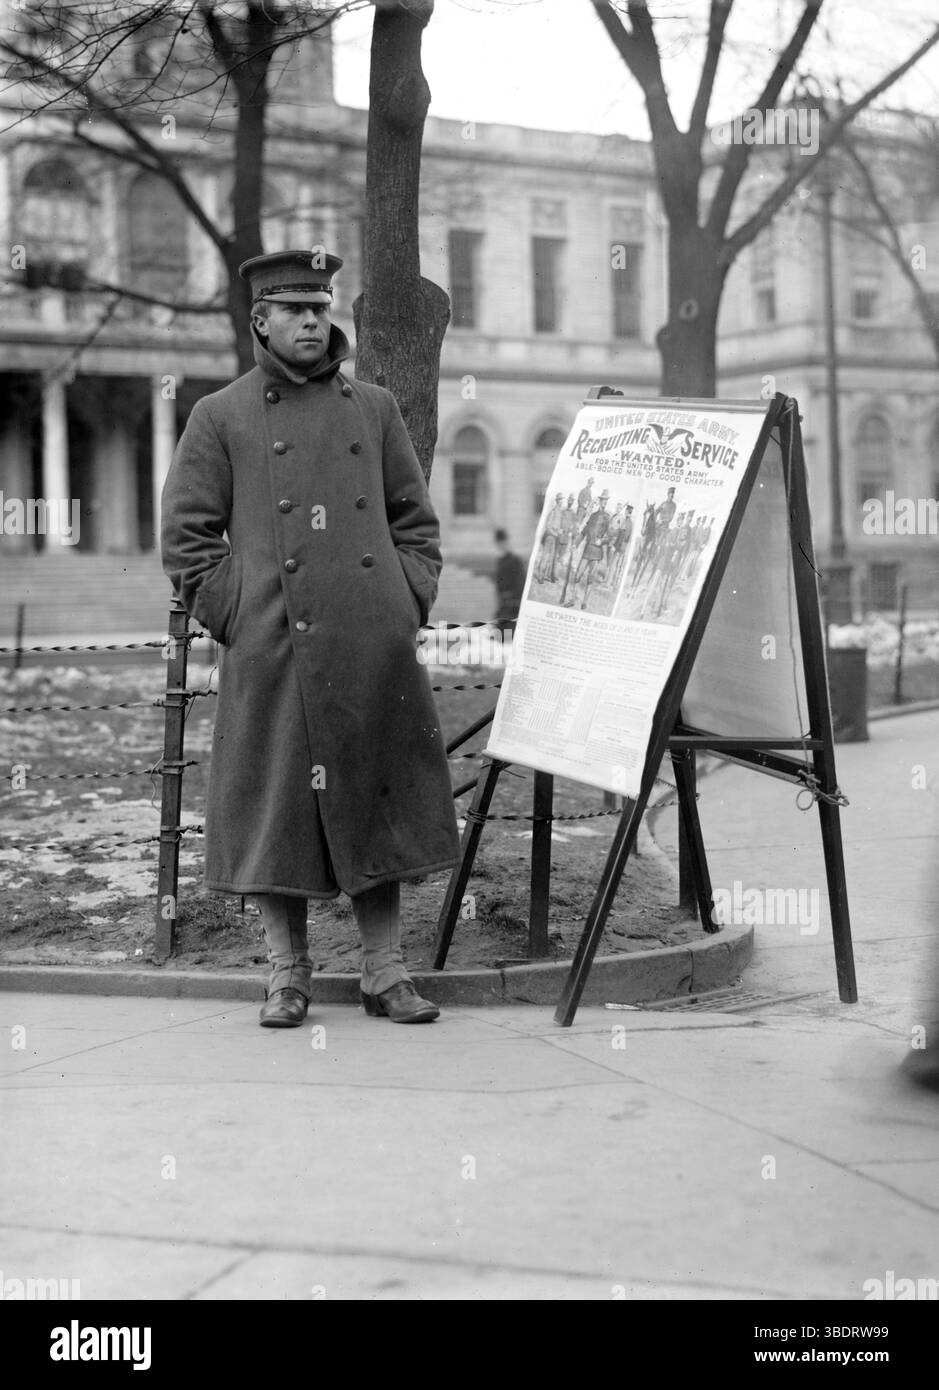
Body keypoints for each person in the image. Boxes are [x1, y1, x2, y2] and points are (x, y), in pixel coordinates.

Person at [161, 249, 460, 1028]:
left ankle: (384, 971)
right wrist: (243, 613)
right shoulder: (219, 415)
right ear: (259, 320)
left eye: (321, 309)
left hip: (369, 646)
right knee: (278, 811)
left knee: (376, 801)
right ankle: (286, 974)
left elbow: (414, 526)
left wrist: (401, 601)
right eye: (294, 310)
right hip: (276, 647)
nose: (311, 322)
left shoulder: (376, 409)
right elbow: (188, 539)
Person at [493, 528, 527, 634]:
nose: (502, 545)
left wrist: (516, 600)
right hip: (504, 604)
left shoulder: (515, 561)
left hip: (513, 604)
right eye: (499, 543)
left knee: (510, 633)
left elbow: (520, 582)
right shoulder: (500, 561)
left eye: (503, 542)